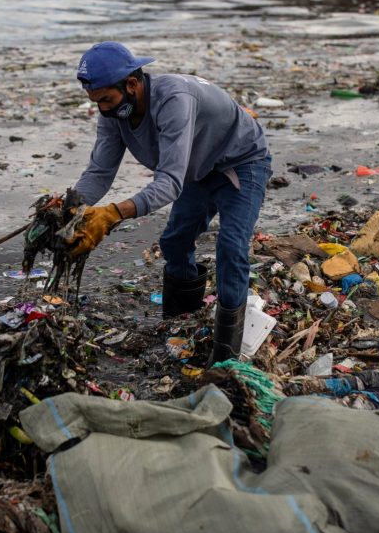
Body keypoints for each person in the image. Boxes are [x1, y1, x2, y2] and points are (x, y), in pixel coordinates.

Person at [65, 41, 271, 364]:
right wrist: (71, 205)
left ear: (132, 84)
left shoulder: (174, 100)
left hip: (241, 162)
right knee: (174, 242)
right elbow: (100, 172)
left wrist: (115, 213)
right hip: (197, 167)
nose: (103, 109)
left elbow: (170, 183)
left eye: (106, 99)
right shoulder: (113, 114)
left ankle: (225, 357)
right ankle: (180, 326)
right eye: (96, 102)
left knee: (231, 246)